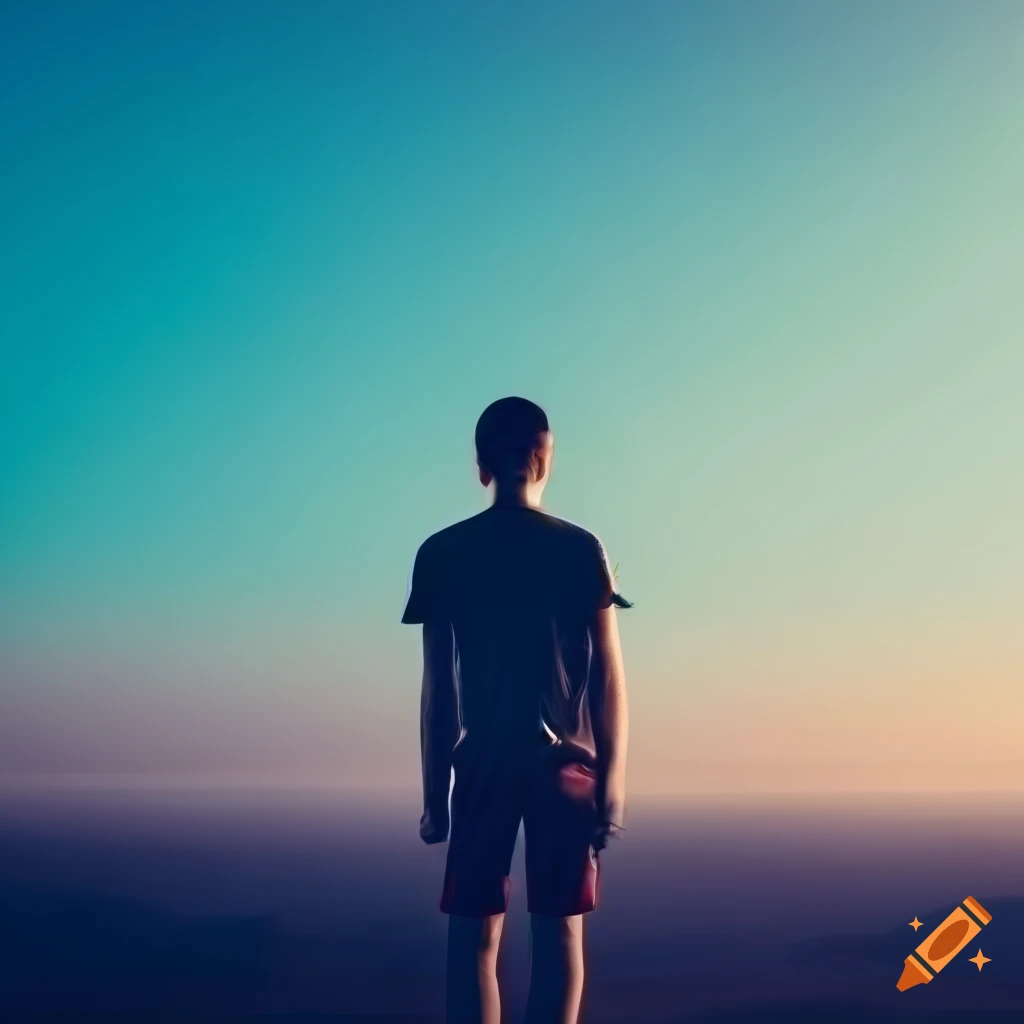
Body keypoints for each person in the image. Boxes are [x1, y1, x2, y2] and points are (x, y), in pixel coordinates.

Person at [401, 397, 630, 1024]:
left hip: (483, 762)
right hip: (566, 769)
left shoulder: (443, 553)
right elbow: (609, 679)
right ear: (546, 459)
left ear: (480, 465)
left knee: (474, 936)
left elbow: (438, 690)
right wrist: (611, 784)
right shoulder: (582, 549)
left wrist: (433, 795)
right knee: (560, 934)